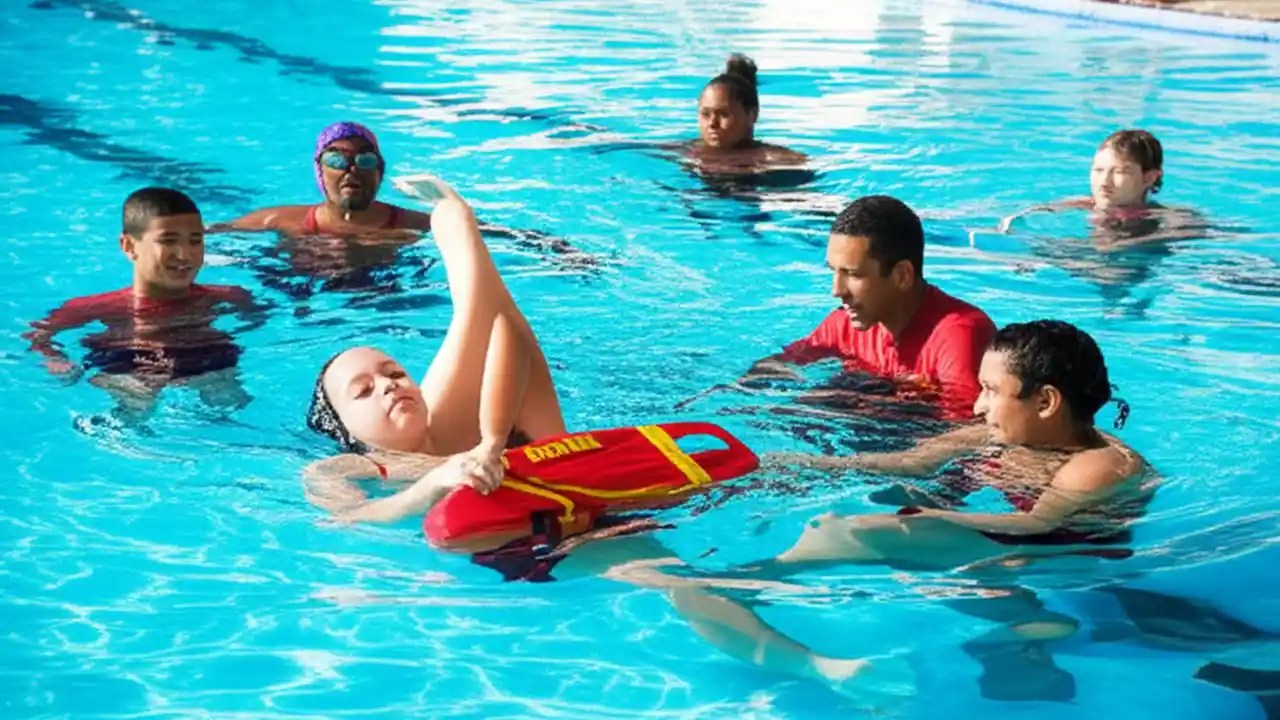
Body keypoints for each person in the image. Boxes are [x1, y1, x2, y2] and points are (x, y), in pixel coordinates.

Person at [612, 320, 1156, 700]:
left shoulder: (1102, 465)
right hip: (1013, 553)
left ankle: (743, 582)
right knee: (881, 517)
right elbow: (904, 464)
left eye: (992, 391)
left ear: (1045, 402)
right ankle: (1029, 628)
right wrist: (786, 464)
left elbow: (1038, 526)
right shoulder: (1002, 434)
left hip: (1075, 562)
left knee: (864, 531)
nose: (977, 404)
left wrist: (922, 524)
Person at [734, 195, 995, 420]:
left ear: (902, 275)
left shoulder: (959, 333)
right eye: (834, 272)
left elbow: (966, 431)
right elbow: (783, 364)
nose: (837, 290)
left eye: (853, 275)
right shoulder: (846, 324)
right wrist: (732, 395)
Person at [25, 187, 264, 418]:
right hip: (129, 362)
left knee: (231, 404)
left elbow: (257, 320)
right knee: (135, 406)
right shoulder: (98, 307)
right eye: (168, 241)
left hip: (206, 359)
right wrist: (55, 358)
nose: (184, 254)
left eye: (195, 240)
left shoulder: (230, 296)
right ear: (129, 246)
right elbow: (37, 335)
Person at [223, 121, 431, 237]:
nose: (351, 169)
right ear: (319, 171)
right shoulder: (279, 221)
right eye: (336, 159)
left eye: (364, 159)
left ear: (380, 170)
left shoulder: (418, 225)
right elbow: (204, 235)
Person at [685, 54, 808, 176]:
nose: (712, 123)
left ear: (752, 115)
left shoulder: (782, 161)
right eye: (705, 114)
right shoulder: (684, 152)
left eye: (723, 114)